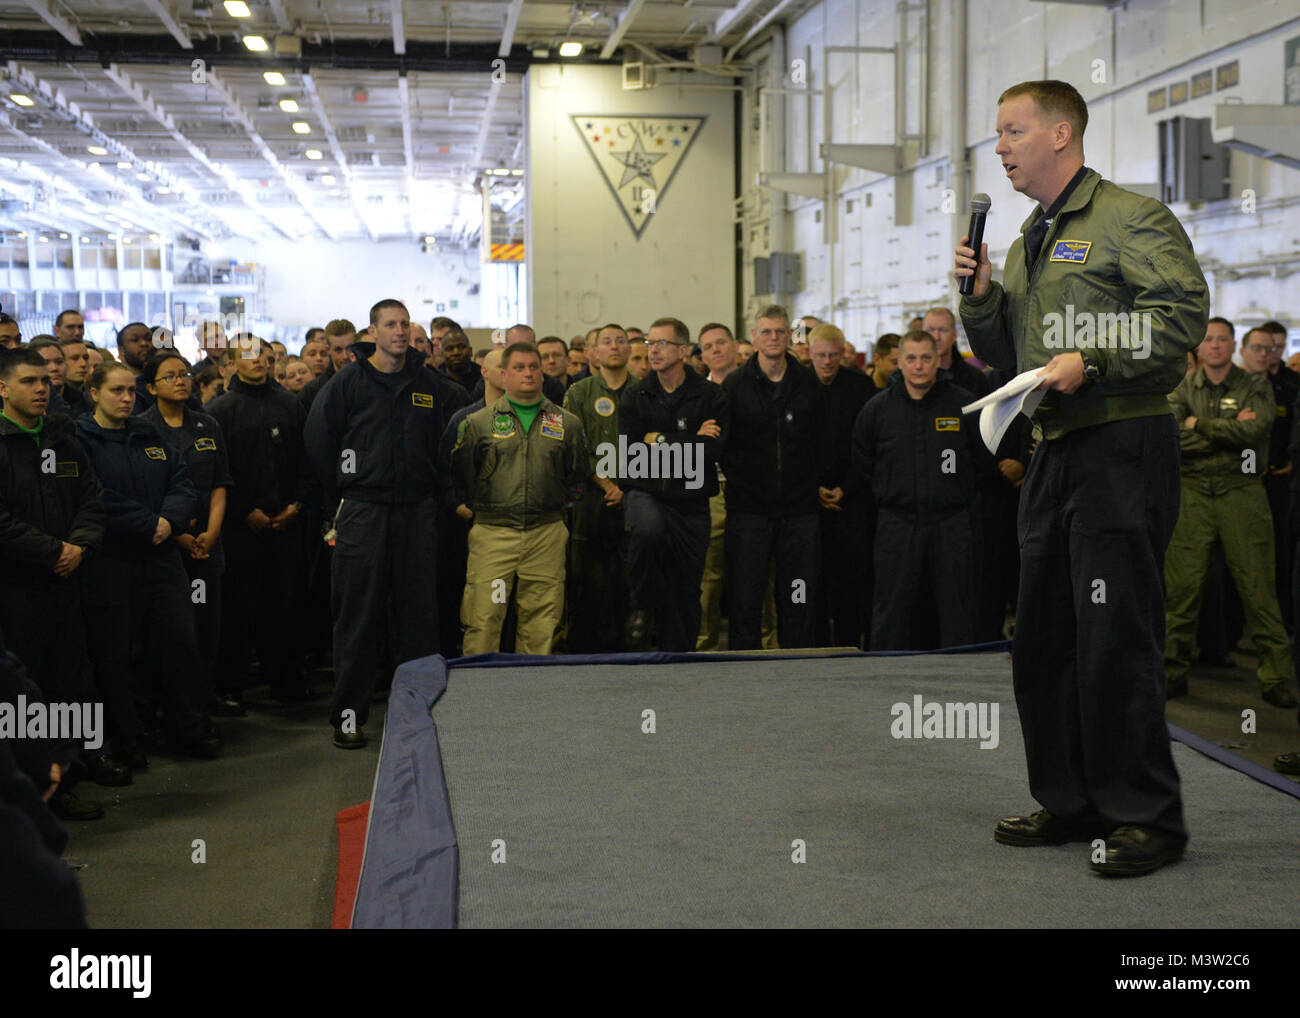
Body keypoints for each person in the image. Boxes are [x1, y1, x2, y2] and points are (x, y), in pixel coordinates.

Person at [956, 79, 1208, 876]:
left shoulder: (1128, 219)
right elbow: (1009, 357)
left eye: (1011, 131)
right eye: (998, 135)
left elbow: (1180, 314)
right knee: (1045, 639)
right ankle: (1071, 800)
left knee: (1115, 638)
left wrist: (1092, 358)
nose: (999, 147)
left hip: (1121, 447)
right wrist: (982, 298)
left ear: (1061, 134)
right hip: (1053, 452)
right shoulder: (1034, 234)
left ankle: (1146, 819)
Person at [305, 300, 443, 749]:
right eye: (391, 325)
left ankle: (420, 711)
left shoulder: (428, 383)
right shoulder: (348, 383)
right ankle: (348, 716)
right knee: (357, 617)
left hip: (416, 511)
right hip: (363, 509)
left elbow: (444, 444)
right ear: (373, 332)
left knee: (419, 617)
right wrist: (346, 489)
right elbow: (319, 440)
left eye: (405, 324)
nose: (400, 331)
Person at [0, 348, 125, 820]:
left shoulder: (61, 436)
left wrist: (78, 547)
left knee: (72, 678)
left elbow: (93, 499)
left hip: (68, 579)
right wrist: (52, 551)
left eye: (44, 382)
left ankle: (75, 768)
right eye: (29, 381)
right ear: (3, 388)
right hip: (16, 586)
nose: (41, 389)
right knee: (27, 688)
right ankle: (34, 782)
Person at [76, 363, 219, 762]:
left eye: (130, 392)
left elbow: (183, 482)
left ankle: (187, 729)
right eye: (115, 391)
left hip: (161, 559)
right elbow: (94, 495)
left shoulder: (148, 434)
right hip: (111, 561)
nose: (126, 399)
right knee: (117, 657)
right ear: (94, 392)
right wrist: (148, 523)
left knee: (179, 644)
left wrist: (169, 521)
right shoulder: (80, 439)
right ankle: (128, 741)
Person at [1163, 324, 1296, 706]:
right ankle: (1172, 672)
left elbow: (1253, 434)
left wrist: (1197, 425)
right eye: (1207, 339)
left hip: (1243, 491)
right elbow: (1174, 437)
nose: (1215, 345)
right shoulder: (1182, 388)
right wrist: (1226, 429)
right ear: (1199, 347)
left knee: (1258, 589)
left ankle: (1276, 678)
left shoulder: (1255, 385)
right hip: (1193, 492)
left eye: (1222, 339)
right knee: (1182, 590)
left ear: (1233, 345)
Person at [852, 331, 990, 649]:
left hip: (952, 523)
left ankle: (963, 684)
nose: (918, 366)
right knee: (891, 613)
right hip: (897, 525)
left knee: (959, 609)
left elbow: (982, 461)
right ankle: (885, 683)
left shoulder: (965, 406)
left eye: (926, 358)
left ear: (938, 360)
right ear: (898, 361)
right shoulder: (877, 410)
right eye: (911, 358)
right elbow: (863, 461)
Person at [453, 342, 587, 655]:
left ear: (542, 374)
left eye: (533, 367)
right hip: (493, 533)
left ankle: (532, 696)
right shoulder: (477, 423)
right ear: (504, 374)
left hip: (547, 533)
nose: (527, 373)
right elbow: (462, 476)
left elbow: (577, 478)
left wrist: (554, 507)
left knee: (541, 622)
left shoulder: (568, 424)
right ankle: (479, 693)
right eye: (519, 367)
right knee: (484, 617)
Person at [722, 304, 831, 649]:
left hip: (799, 514)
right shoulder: (734, 386)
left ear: (789, 336)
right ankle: (743, 674)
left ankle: (797, 667)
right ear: (754, 337)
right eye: (766, 332)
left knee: (798, 595)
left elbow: (822, 439)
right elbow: (724, 445)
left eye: (779, 332)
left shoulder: (807, 383)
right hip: (749, 513)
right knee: (746, 599)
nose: (773, 338)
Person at [619, 318, 726, 651]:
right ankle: (641, 605)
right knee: (648, 531)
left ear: (683, 350)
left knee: (687, 586)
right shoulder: (636, 395)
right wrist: (690, 439)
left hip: (691, 499)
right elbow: (629, 457)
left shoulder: (710, 396)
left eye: (661, 344)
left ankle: (681, 659)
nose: (653, 351)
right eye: (650, 344)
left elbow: (713, 451)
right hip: (645, 491)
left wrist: (661, 439)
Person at [139, 351, 235, 716]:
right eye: (169, 376)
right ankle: (173, 708)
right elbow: (147, 494)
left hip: (207, 546)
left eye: (183, 374)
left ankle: (204, 699)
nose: (180, 381)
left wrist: (210, 534)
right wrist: (181, 535)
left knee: (208, 625)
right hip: (168, 547)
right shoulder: (143, 428)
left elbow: (220, 484)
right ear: (150, 387)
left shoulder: (206, 425)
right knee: (174, 633)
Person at [563, 324, 633, 652]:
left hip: (634, 496)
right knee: (587, 578)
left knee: (627, 577)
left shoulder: (644, 390)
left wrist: (626, 487)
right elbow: (576, 445)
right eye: (607, 342)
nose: (615, 346)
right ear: (595, 353)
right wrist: (606, 484)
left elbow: (653, 445)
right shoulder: (579, 393)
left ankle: (627, 647)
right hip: (591, 499)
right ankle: (583, 651)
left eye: (621, 341)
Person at [809, 324, 875, 648]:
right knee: (814, 582)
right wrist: (814, 489)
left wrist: (846, 489)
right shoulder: (797, 387)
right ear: (809, 353)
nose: (827, 361)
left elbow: (868, 447)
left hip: (853, 498)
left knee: (851, 581)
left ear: (844, 352)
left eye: (834, 355)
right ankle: (816, 647)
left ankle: (851, 645)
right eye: (820, 355)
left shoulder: (862, 388)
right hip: (808, 501)